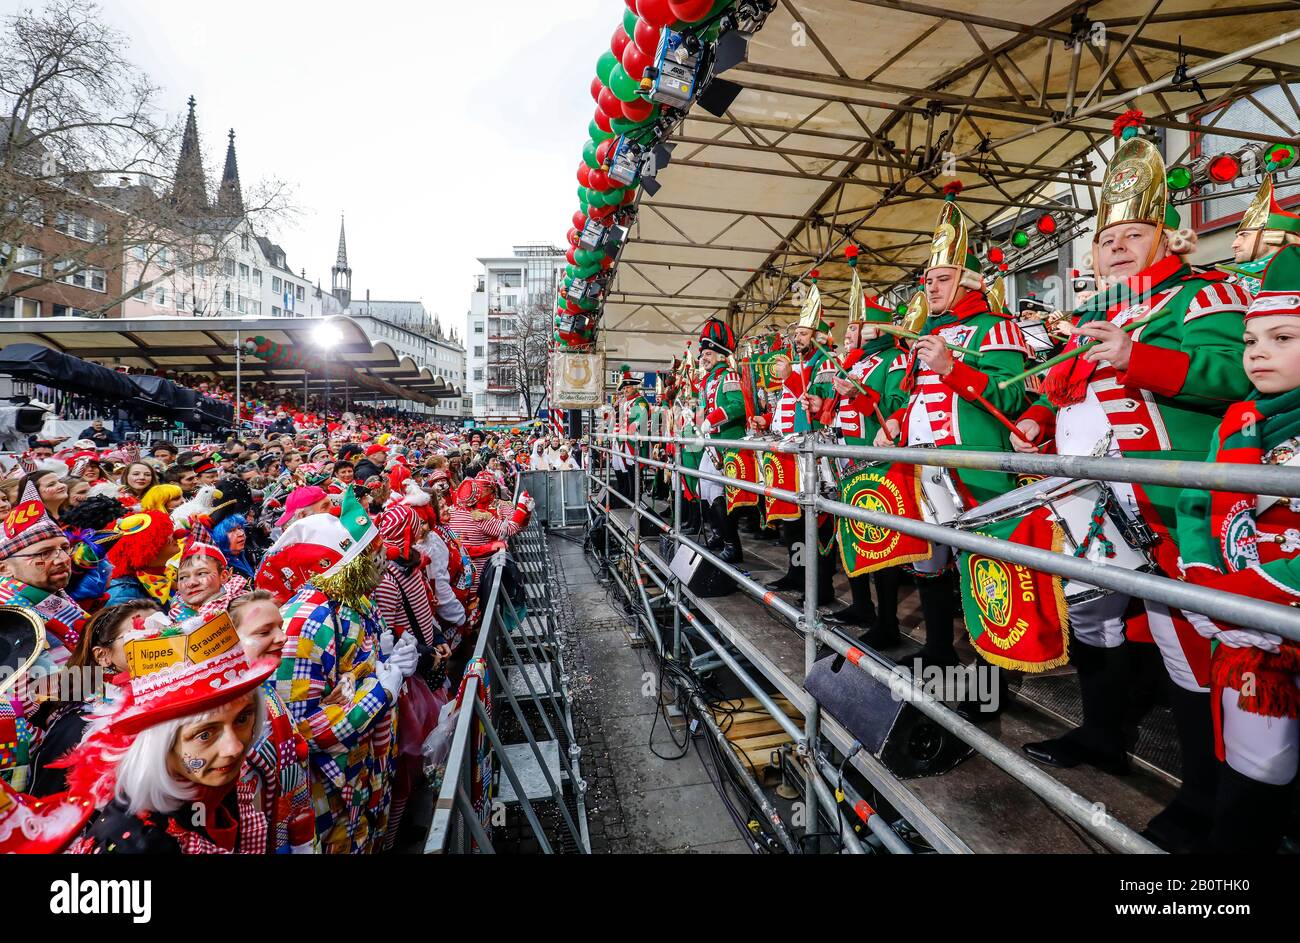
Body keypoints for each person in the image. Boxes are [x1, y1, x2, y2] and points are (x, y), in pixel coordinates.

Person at [1013, 112, 1252, 852]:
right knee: (1097, 623)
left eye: (1133, 235)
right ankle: (1103, 734)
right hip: (1092, 508)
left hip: (1172, 510)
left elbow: (1236, 377)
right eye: (1107, 238)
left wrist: (1134, 357)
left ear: (1169, 239)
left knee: (1195, 648)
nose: (1117, 246)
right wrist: (1039, 415)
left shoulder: (1203, 296)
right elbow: (1063, 390)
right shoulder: (1097, 311)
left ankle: (1209, 799)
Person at [874, 181, 1032, 668]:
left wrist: (952, 368)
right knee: (929, 561)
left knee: (986, 571)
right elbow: (917, 397)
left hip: (975, 469)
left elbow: (1012, 395)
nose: (931, 287)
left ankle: (992, 678)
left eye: (942, 278)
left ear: (970, 283)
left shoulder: (997, 327)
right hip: (925, 466)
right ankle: (938, 651)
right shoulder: (930, 332)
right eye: (928, 279)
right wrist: (895, 421)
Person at [1174, 245, 1300, 852]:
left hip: (1270, 604)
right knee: (1255, 767)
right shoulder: (1238, 417)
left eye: (1282, 338)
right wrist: (1202, 578)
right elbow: (1196, 500)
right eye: (1251, 341)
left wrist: (1259, 596)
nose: (1257, 354)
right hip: (1243, 622)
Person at [261, 487, 418, 853]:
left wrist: (389, 661)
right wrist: (381, 690)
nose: (382, 561)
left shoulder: (357, 600)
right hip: (334, 790)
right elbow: (304, 729)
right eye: (370, 555)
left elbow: (358, 672)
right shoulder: (304, 623)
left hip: (367, 771)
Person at [60, 612, 281, 854]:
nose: (235, 747)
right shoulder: (137, 845)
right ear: (160, 743)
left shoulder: (219, 785)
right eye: (204, 734)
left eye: (242, 719)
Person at [817, 265, 909, 645]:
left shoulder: (893, 360)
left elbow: (896, 407)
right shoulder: (854, 363)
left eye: (856, 326)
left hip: (876, 463)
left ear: (875, 328)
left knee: (879, 540)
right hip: (847, 460)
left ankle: (887, 622)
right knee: (850, 535)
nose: (849, 332)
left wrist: (857, 395)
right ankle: (861, 605)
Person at [0, 482, 90, 791]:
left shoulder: (51, 597)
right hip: (36, 749)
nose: (62, 558)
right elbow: (46, 691)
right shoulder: (11, 614)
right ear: (5, 568)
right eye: (44, 553)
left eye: (64, 548)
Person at [27, 600, 160, 798]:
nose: (159, 642)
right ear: (103, 656)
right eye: (141, 635)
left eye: (165, 630)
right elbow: (48, 802)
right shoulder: (79, 725)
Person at [758, 287, 837, 605]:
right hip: (793, 450)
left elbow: (819, 401)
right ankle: (797, 572)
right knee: (793, 518)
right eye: (797, 334)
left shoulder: (826, 362)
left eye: (804, 334)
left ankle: (822, 585)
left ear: (818, 335)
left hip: (815, 452)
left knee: (817, 522)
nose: (798, 339)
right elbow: (787, 406)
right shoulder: (801, 364)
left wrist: (790, 376)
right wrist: (767, 421)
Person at [227, 589, 317, 853]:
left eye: (280, 627)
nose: (282, 637)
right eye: (264, 632)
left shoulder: (262, 687)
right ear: (230, 641)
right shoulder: (227, 714)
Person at [1223, 175, 1300, 294]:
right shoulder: (1236, 278)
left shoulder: (1292, 271)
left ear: (1272, 235)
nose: (1234, 244)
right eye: (1238, 237)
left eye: (1244, 235)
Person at [104, 510, 181, 607]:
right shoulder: (123, 594)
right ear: (143, 549)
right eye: (163, 535)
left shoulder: (171, 572)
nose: (175, 535)